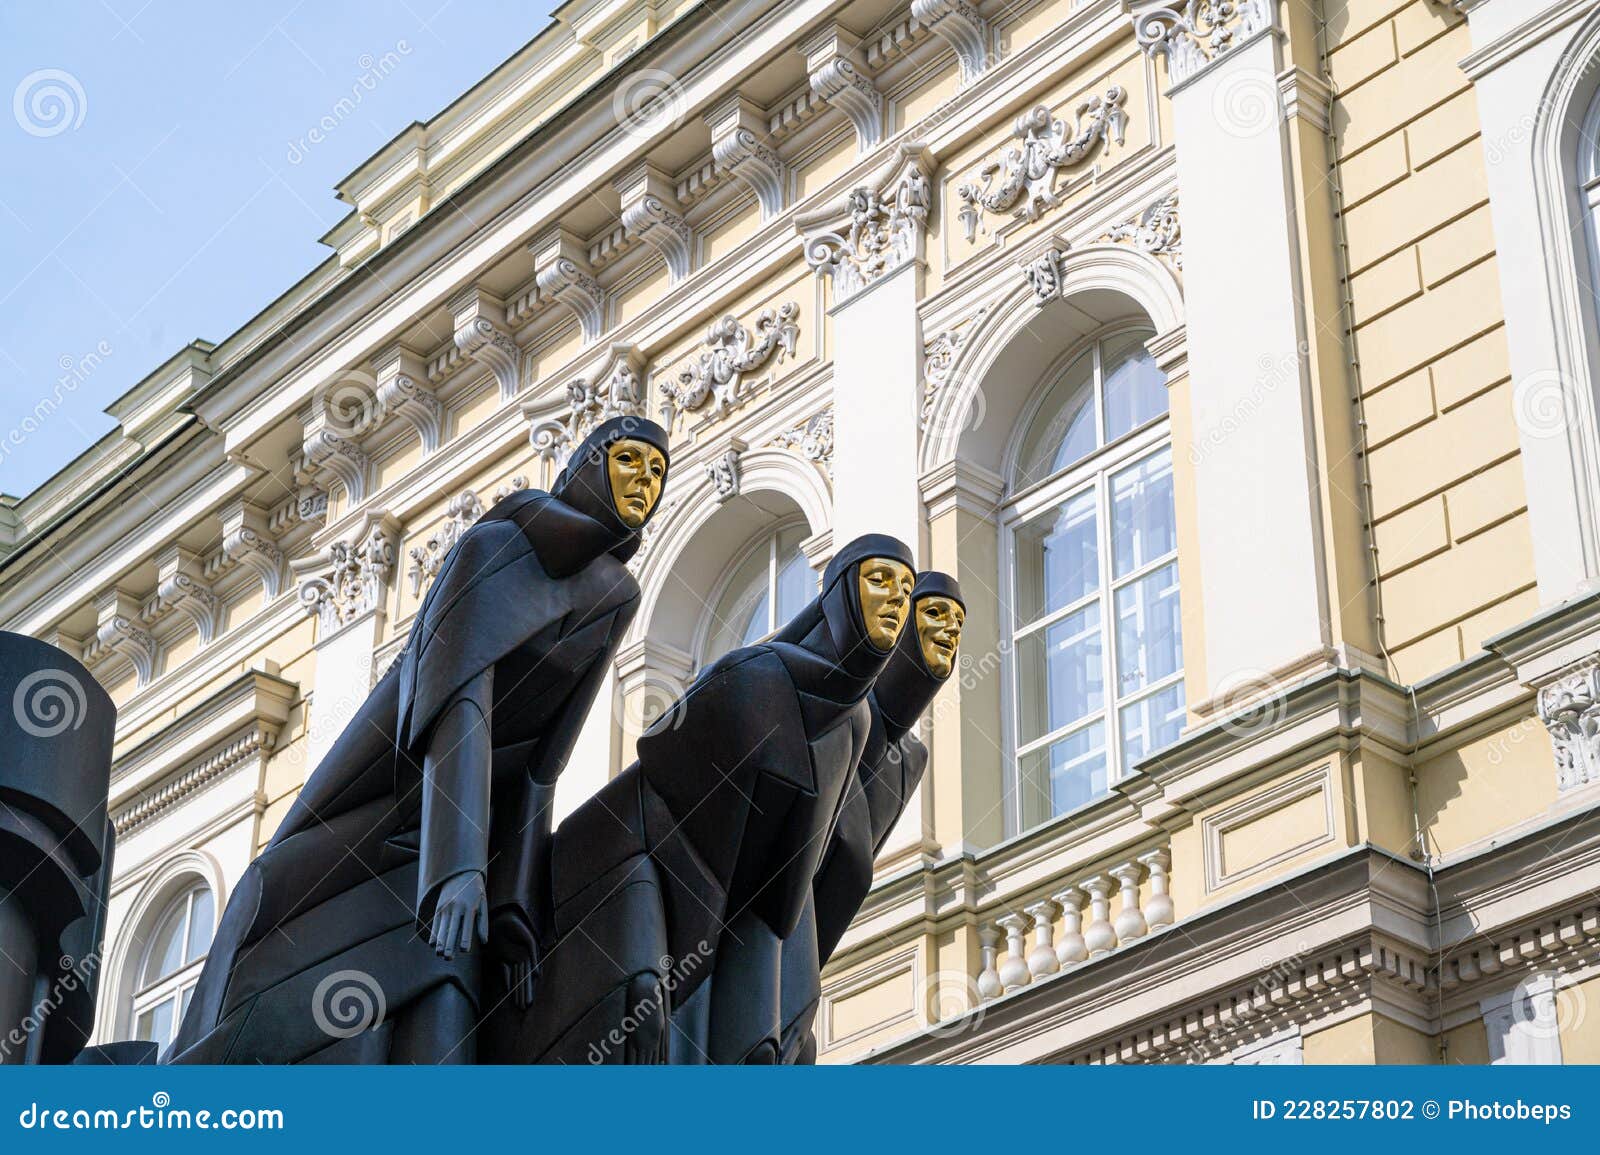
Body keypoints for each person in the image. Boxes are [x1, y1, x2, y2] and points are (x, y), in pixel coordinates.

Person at [166, 417, 670, 1064]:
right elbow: (460, 702)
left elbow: (546, 762)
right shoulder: (495, 546)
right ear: (586, 467)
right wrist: (456, 867)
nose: (644, 481)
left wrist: (516, 907)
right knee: (325, 929)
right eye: (630, 460)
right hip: (387, 816)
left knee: (448, 990)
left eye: (657, 471)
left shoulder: (615, 595)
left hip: (466, 840)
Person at [499, 534, 916, 1064]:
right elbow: (645, 812)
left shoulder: (851, 725)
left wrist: (774, 1017)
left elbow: (780, 898)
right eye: (879, 581)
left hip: (723, 933)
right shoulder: (752, 679)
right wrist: (642, 963)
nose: (896, 601)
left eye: (905, 589)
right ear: (838, 596)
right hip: (634, 884)